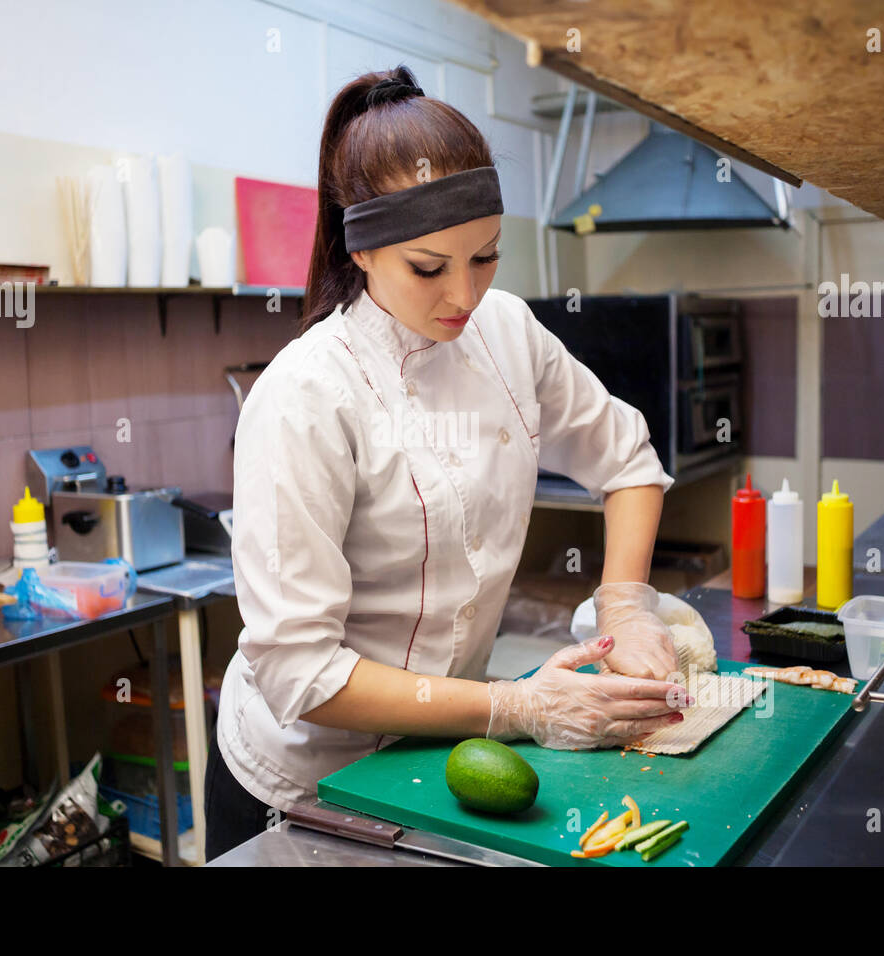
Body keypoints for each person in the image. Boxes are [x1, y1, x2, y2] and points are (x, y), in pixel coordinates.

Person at [204, 66, 690, 861]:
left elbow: (626, 457)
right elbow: (303, 674)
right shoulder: (305, 395)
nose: (463, 295)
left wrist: (626, 604)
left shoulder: (506, 332)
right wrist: (515, 709)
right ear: (360, 250)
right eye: (428, 268)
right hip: (302, 788)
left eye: (487, 257)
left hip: (441, 765)